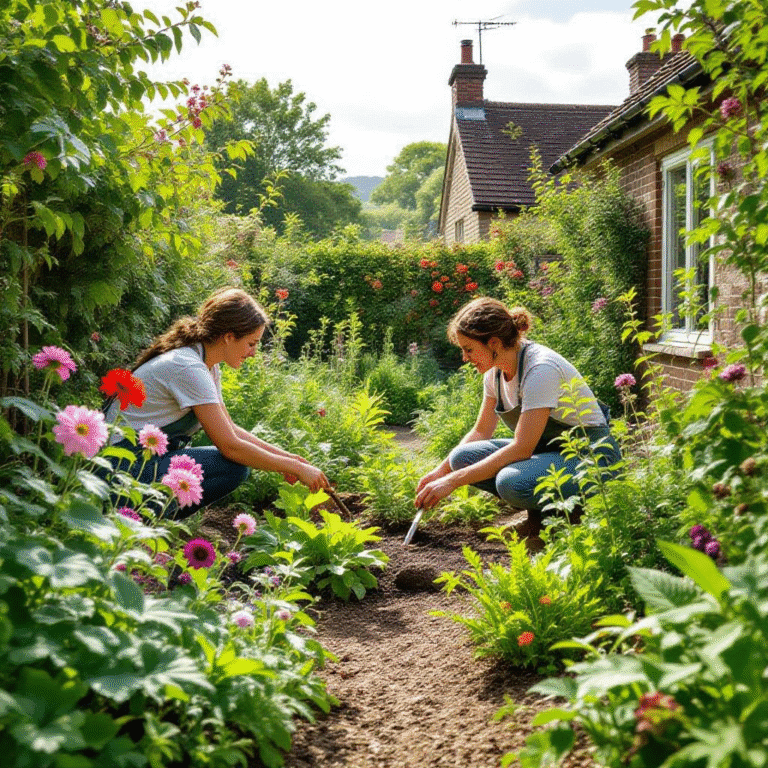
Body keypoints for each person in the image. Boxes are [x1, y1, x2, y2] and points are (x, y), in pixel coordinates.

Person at [106, 287, 330, 516]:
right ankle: (137, 518)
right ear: (229, 337)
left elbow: (230, 429)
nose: (253, 352)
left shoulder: (206, 366)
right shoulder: (189, 368)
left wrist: (289, 459)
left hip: (142, 461)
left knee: (231, 466)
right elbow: (230, 446)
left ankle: (140, 520)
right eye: (251, 343)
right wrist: (295, 468)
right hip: (118, 467)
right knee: (231, 468)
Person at [415, 297, 620, 520]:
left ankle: (570, 518)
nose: (465, 358)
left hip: (591, 458)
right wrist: (441, 471)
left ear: (493, 343)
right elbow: (481, 431)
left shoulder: (540, 370)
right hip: (548, 455)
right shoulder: (494, 373)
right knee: (460, 458)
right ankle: (540, 519)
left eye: (469, 349)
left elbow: (522, 448)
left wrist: (452, 481)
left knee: (511, 482)